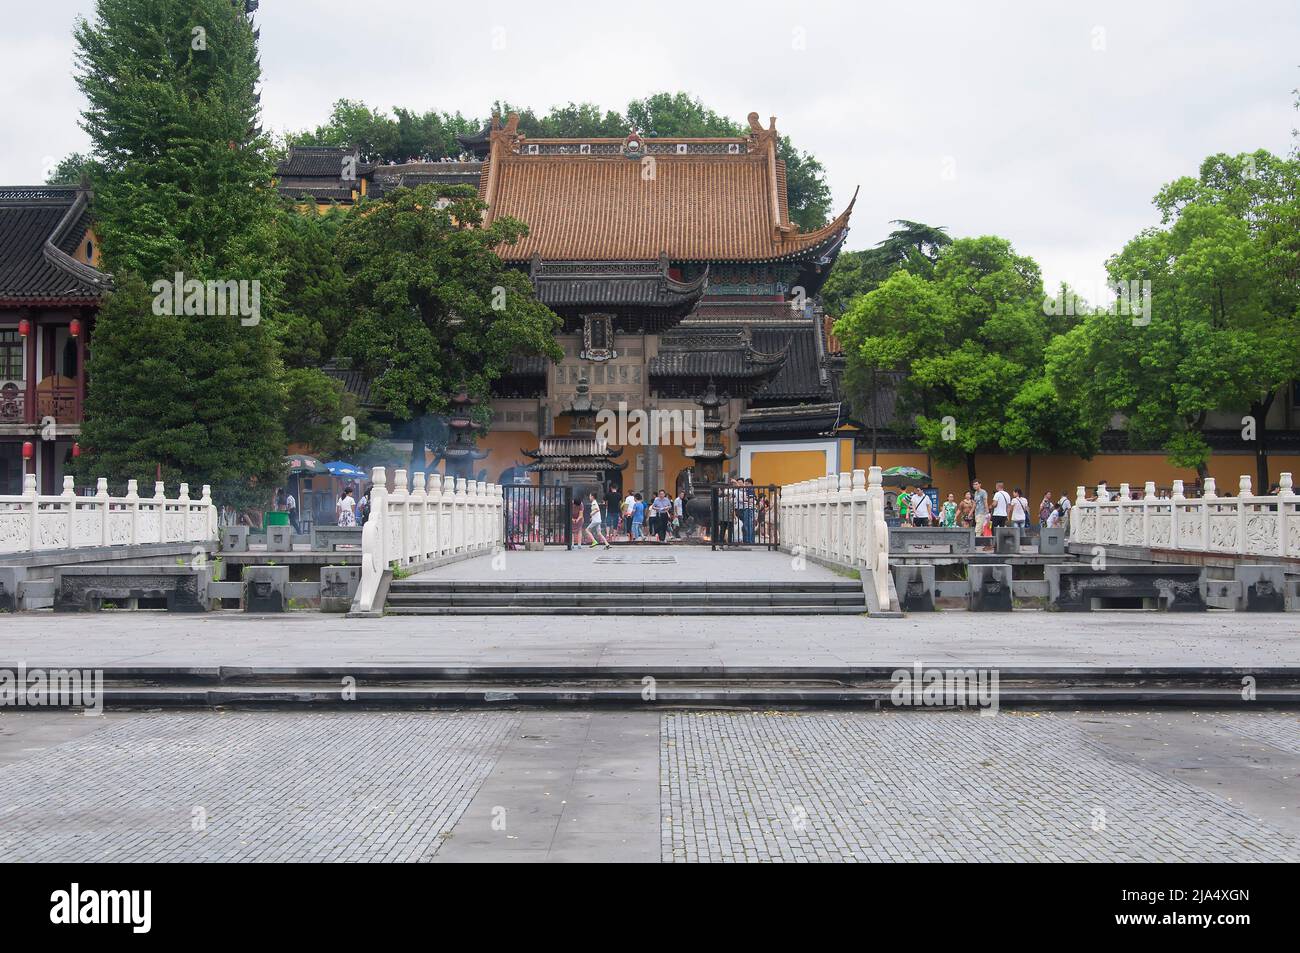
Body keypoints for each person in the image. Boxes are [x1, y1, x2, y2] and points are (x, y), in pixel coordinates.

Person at [738, 478, 757, 543]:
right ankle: (749, 540)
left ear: (749, 483)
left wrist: (744, 499)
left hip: (748, 508)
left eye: (746, 484)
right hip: (747, 508)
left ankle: (749, 540)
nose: (745, 485)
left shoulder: (750, 490)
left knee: (748, 525)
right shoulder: (748, 489)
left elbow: (751, 500)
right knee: (747, 525)